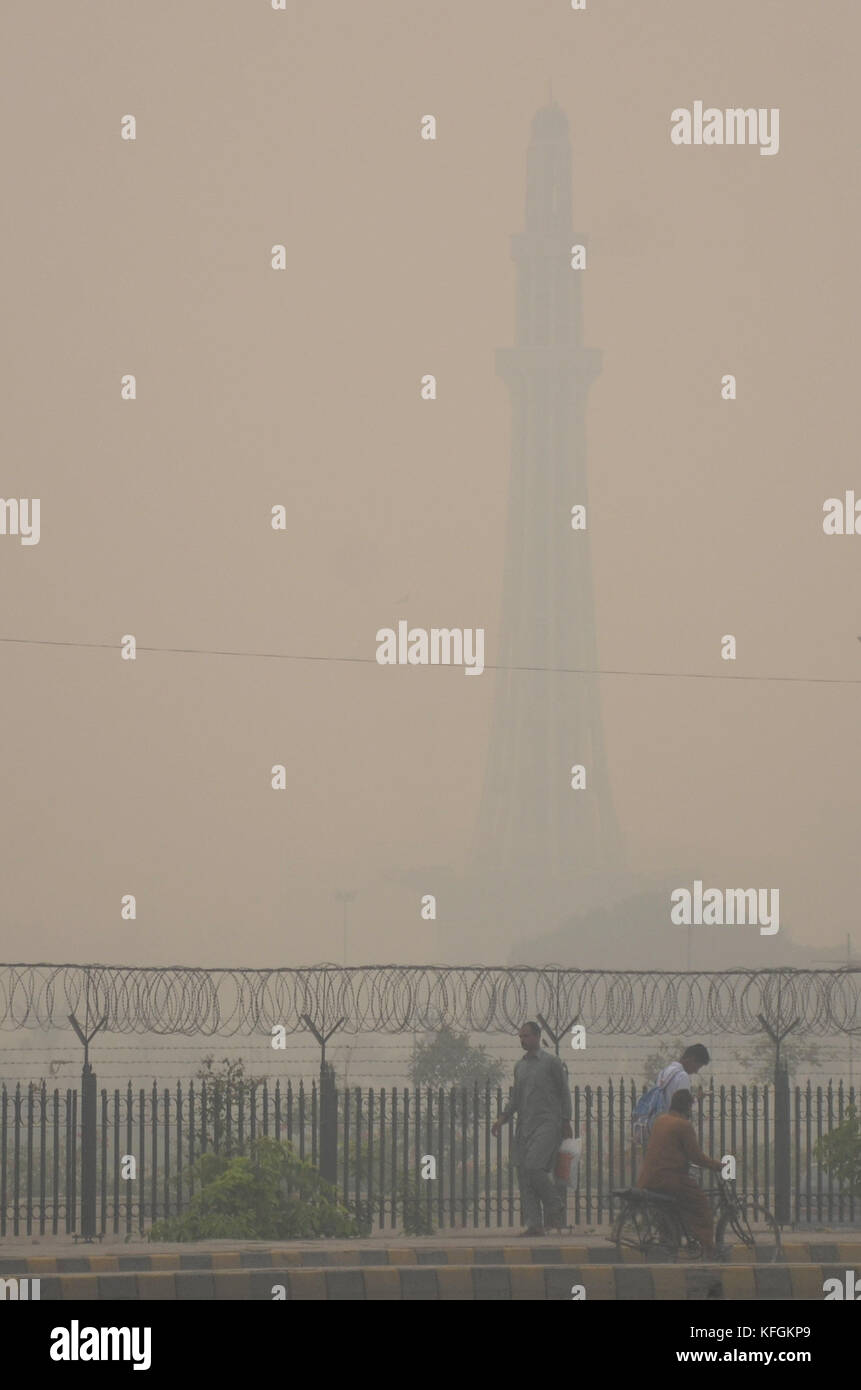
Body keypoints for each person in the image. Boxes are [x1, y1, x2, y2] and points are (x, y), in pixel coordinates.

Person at [491, 1021, 572, 1236]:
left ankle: (554, 1205)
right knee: (524, 1174)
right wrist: (502, 1118)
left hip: (547, 1124)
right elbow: (516, 1098)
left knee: (534, 1167)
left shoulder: (552, 1063)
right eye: (520, 1037)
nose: (522, 1040)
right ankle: (535, 1224)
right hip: (525, 1126)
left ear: (537, 1036)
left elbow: (565, 1093)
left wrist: (566, 1121)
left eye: (526, 1036)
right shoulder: (520, 1067)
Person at [637, 1089, 722, 1256]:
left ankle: (671, 1239)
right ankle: (708, 1248)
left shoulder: (661, 1120)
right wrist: (716, 1165)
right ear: (687, 1107)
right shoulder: (683, 1125)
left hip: (649, 1178)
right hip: (669, 1178)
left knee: (675, 1208)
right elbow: (696, 1157)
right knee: (701, 1205)